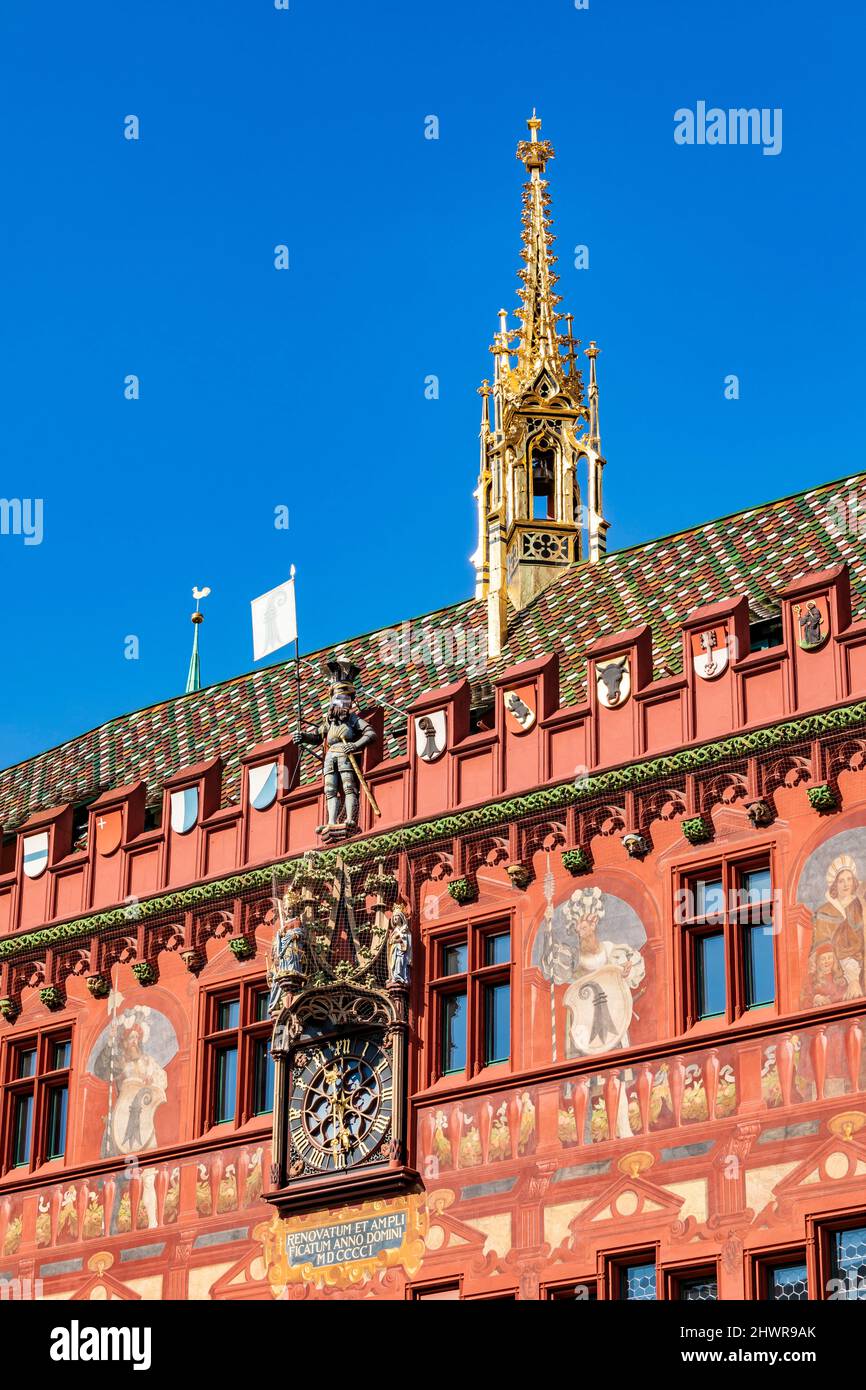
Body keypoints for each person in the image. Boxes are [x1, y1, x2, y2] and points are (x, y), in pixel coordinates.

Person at [301, 659, 376, 834]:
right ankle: (331, 821)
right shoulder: (329, 722)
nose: (341, 702)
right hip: (330, 757)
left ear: (350, 701)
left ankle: (350, 818)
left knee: (349, 786)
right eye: (337, 699)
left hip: (344, 754)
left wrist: (354, 744)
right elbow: (317, 737)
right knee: (330, 790)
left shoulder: (352, 720)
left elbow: (371, 733)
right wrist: (304, 737)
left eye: (344, 698)